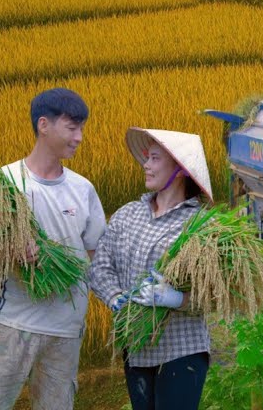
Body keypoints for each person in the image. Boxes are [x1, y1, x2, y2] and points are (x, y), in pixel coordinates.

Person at [0, 87, 105, 410]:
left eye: (82, 128)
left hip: (66, 331)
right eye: (72, 127)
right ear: (44, 125)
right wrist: (10, 249)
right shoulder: (5, 183)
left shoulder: (83, 190)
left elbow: (95, 257)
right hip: (15, 325)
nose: (80, 137)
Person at [90, 128, 215, 410]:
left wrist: (174, 299)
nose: (146, 164)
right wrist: (114, 297)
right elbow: (100, 265)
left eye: (155, 158)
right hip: (136, 346)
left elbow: (216, 294)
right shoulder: (127, 214)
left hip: (182, 348)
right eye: (147, 158)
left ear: (180, 169)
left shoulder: (200, 226)